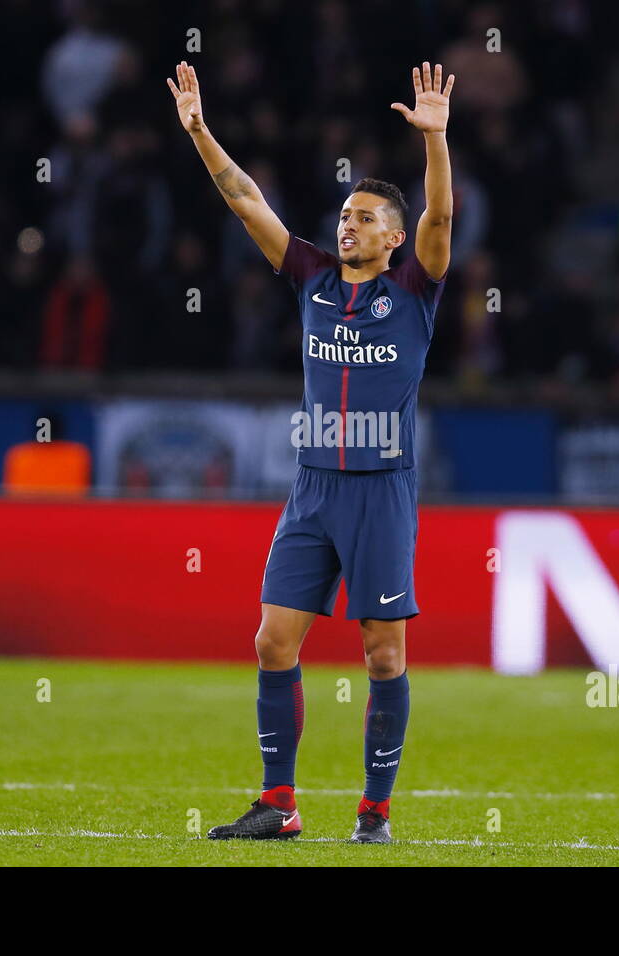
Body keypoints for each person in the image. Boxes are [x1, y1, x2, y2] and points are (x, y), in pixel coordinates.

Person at [167, 60, 454, 843]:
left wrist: (435, 144)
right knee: (271, 640)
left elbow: (440, 221)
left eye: (364, 218)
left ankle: (375, 812)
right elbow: (245, 198)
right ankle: (279, 804)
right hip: (313, 490)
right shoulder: (311, 280)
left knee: (384, 655)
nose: (347, 226)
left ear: (393, 239)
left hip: (380, 491)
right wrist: (199, 133)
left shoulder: (417, 292)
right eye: (344, 215)